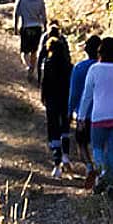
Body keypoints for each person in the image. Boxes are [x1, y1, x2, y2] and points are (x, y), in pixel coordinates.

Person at [78, 37, 113, 200]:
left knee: (97, 148)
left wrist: (81, 117)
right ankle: (111, 184)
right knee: (112, 151)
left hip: (99, 115)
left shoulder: (95, 69)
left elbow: (86, 96)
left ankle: (103, 174)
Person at [70, 34, 102, 188]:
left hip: (84, 114)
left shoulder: (79, 67)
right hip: (102, 113)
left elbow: (74, 93)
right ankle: (101, 172)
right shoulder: (106, 67)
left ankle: (89, 167)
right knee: (100, 146)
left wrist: (70, 111)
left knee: (82, 144)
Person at [40, 35, 73, 178]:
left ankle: (57, 164)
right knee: (65, 128)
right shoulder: (69, 66)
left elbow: (44, 83)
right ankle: (66, 155)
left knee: (53, 130)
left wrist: (43, 98)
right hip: (65, 99)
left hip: (52, 100)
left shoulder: (48, 63)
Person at [12, 0, 47, 73]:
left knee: (24, 51)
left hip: (26, 26)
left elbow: (16, 13)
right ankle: (32, 67)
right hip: (37, 27)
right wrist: (45, 25)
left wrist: (15, 27)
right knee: (34, 50)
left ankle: (28, 66)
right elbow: (43, 14)